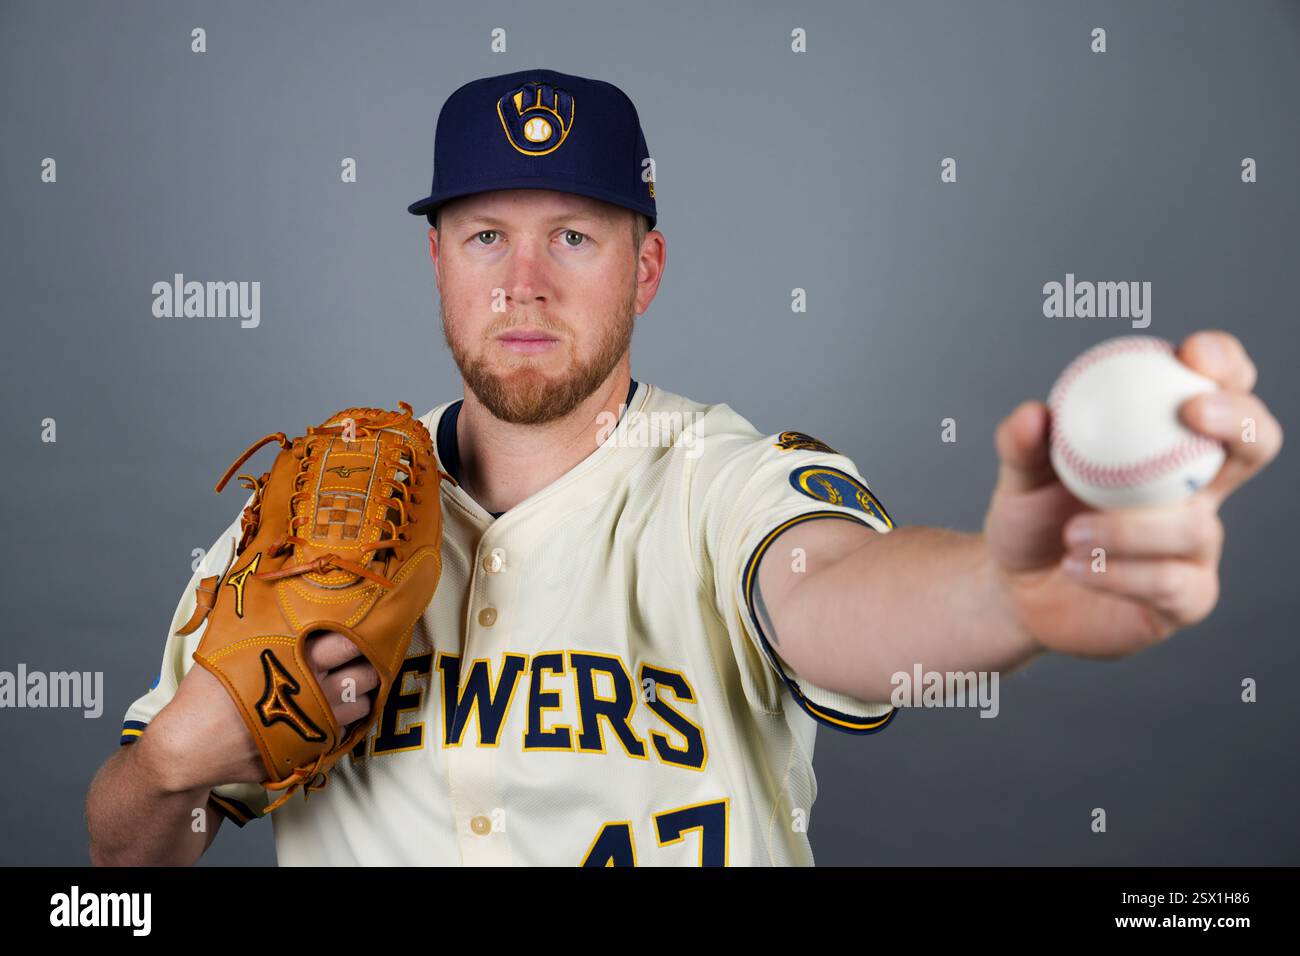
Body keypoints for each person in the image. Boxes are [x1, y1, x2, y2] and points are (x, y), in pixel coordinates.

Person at [85, 68, 1282, 866]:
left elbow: (832, 591)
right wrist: (171, 764)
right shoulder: (305, 519)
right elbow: (121, 865)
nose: (524, 283)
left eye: (575, 235)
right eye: (486, 234)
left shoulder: (723, 480)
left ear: (645, 268)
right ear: (437, 262)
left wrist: (997, 594)